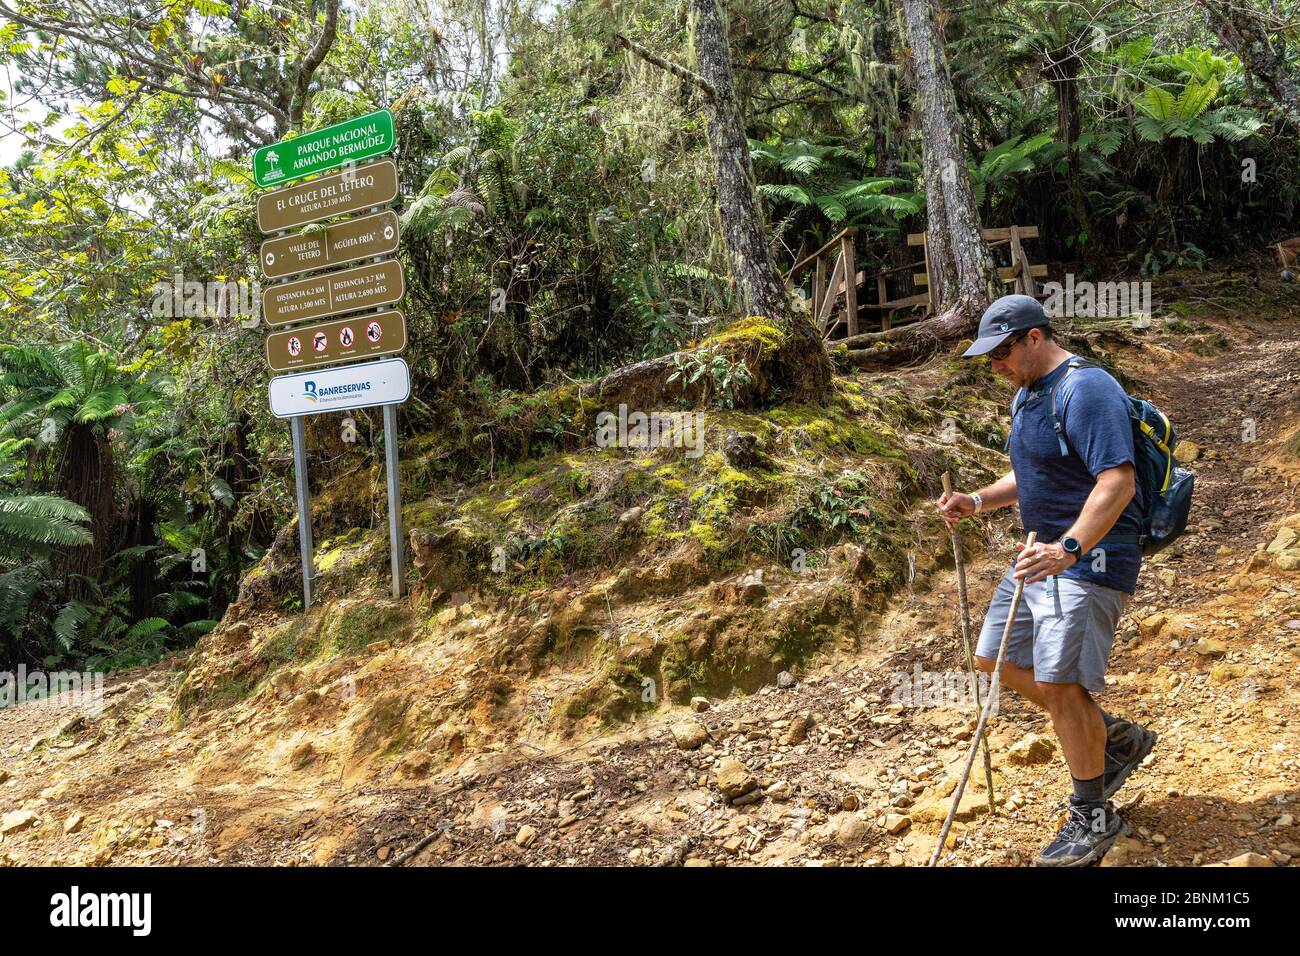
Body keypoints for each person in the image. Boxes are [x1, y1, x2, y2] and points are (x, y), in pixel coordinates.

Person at [937, 294, 1157, 867]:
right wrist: (977, 500)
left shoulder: (1087, 389)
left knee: (1061, 684)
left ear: (1034, 338)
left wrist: (1069, 548)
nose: (995, 365)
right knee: (994, 658)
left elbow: (1117, 481)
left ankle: (1093, 813)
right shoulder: (1026, 394)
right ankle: (1111, 739)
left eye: (1002, 353)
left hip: (1089, 559)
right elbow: (1033, 470)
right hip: (1040, 555)